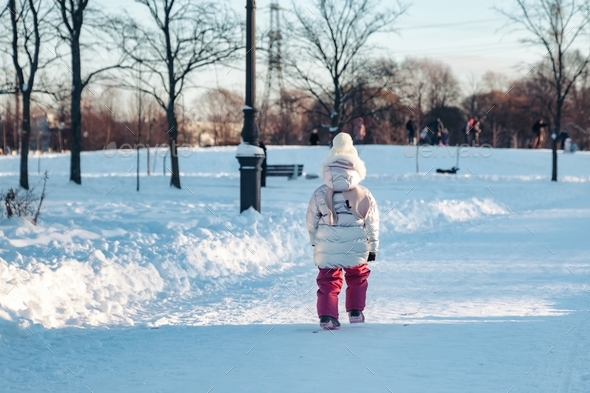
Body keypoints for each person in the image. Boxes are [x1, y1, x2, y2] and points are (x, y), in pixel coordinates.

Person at [306, 132, 379, 330]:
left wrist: (314, 241)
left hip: (327, 245)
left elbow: (311, 220)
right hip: (355, 245)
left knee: (328, 280)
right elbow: (372, 223)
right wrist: (372, 247)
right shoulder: (364, 194)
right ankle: (355, 311)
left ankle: (327, 317)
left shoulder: (320, 192)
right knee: (357, 276)